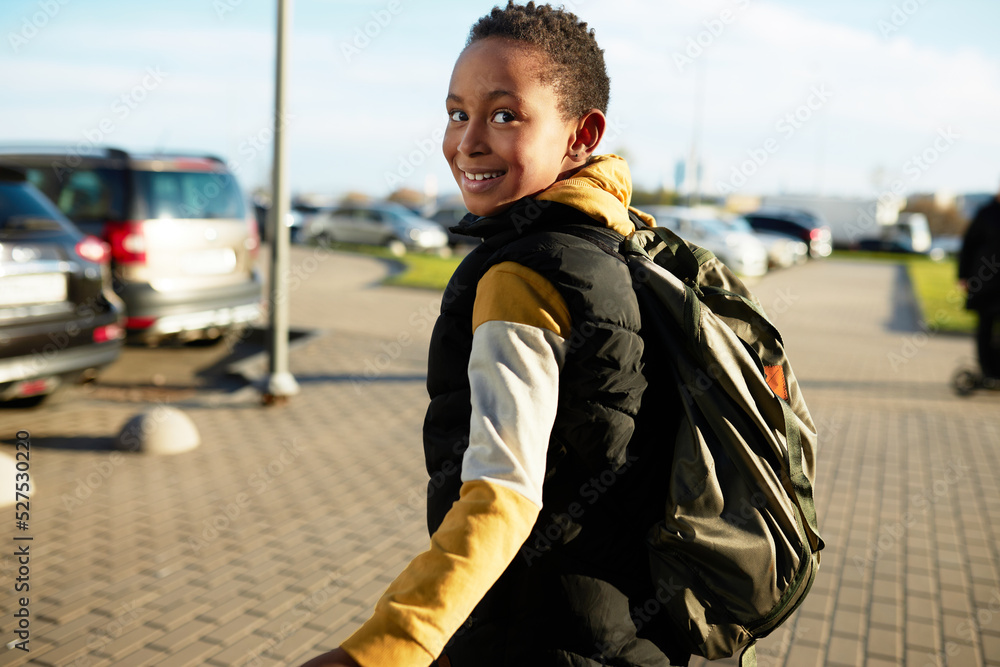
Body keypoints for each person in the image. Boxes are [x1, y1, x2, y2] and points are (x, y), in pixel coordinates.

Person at [298, 3, 684, 665]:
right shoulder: (620, 252)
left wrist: (387, 648)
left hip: (541, 634)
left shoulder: (522, 276)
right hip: (624, 624)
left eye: (505, 115)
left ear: (579, 135)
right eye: (456, 113)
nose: (468, 140)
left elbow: (502, 493)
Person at [959, 186, 1000, 381]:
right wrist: (963, 275)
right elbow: (968, 245)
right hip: (984, 282)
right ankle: (987, 372)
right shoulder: (985, 213)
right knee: (985, 328)